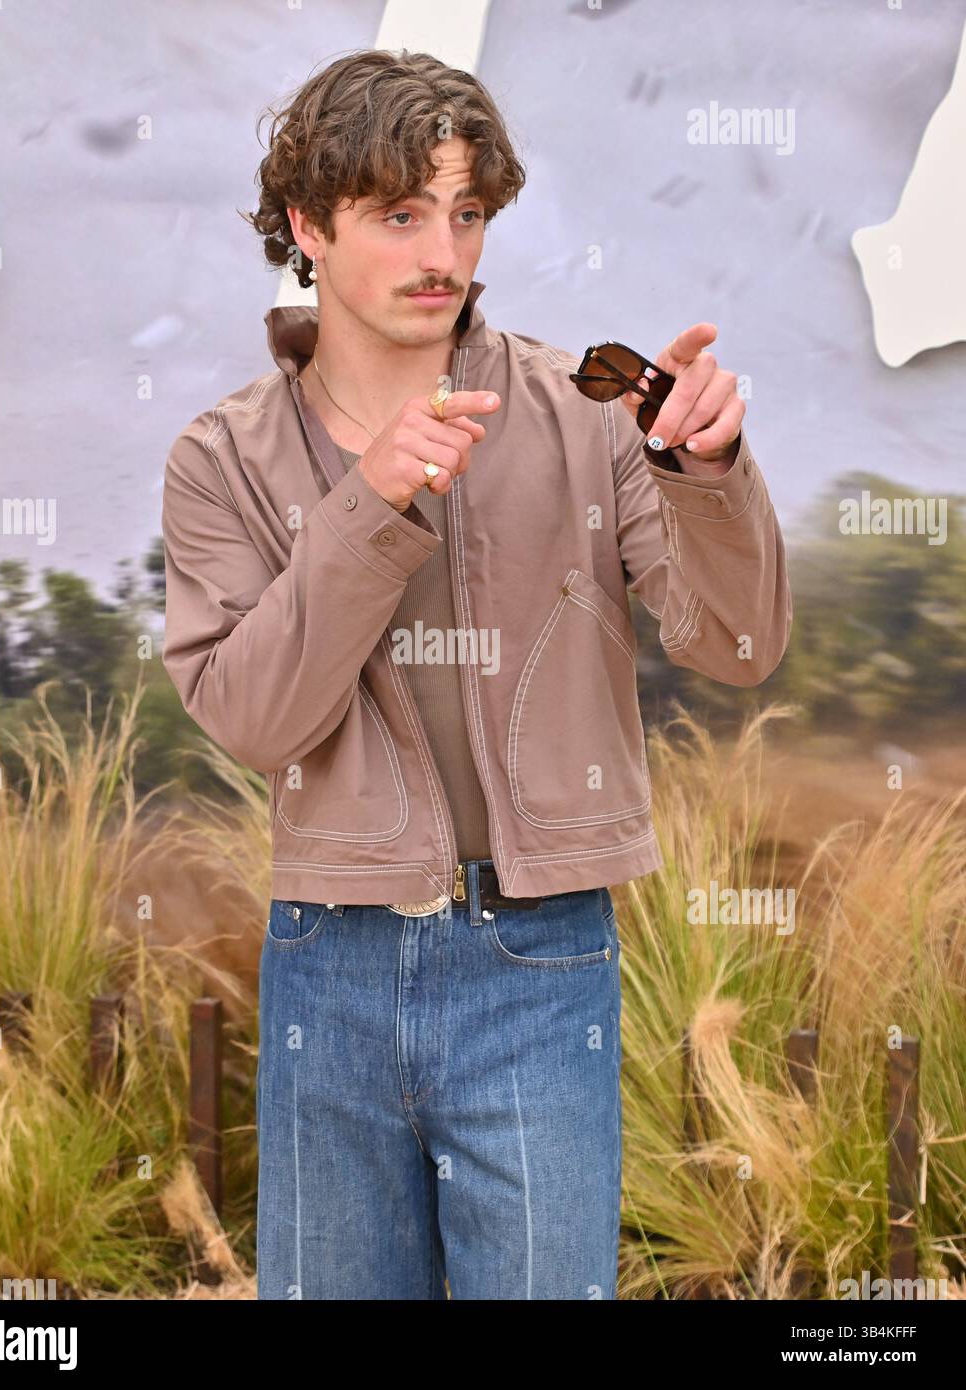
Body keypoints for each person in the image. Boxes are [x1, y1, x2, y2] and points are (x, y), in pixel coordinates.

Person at [160, 48, 793, 1300]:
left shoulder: (588, 414)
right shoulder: (217, 457)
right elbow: (251, 717)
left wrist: (707, 478)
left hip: (543, 955)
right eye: (398, 213)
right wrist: (372, 499)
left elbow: (736, 648)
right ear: (304, 225)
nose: (439, 249)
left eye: (463, 210)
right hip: (324, 962)